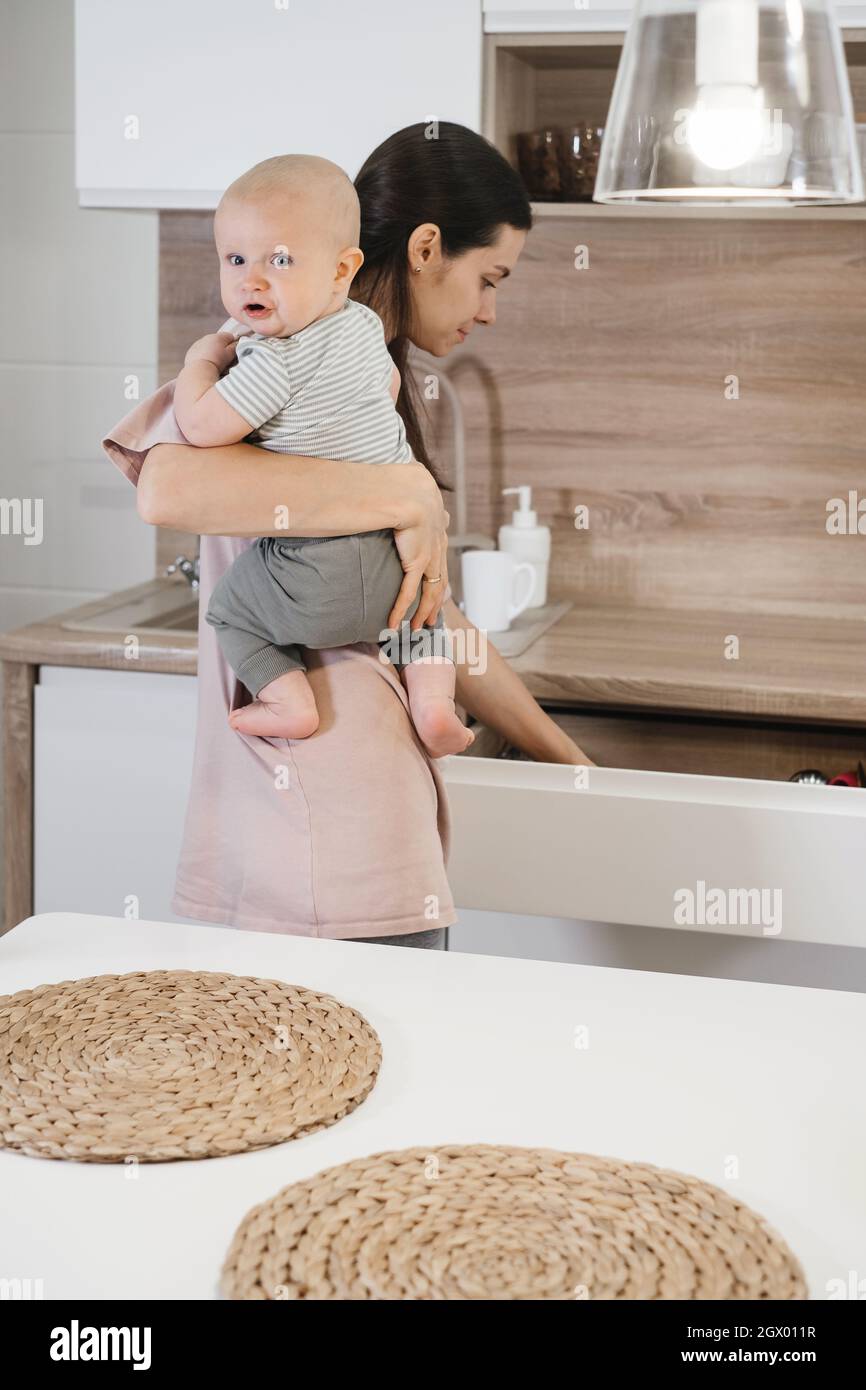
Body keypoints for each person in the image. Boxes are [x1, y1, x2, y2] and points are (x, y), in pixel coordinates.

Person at [103, 122, 593, 952]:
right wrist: (400, 488)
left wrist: (569, 761)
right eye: (489, 279)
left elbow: (430, 608)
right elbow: (166, 486)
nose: (490, 310)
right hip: (318, 832)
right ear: (428, 247)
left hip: (356, 824)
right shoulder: (254, 360)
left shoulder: (362, 379)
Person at [174, 152, 471, 758]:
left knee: (230, 611)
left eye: (279, 261)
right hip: (391, 561)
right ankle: (435, 701)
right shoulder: (363, 327)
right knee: (426, 619)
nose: (251, 280)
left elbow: (203, 427)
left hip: (310, 576)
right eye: (235, 260)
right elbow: (385, 391)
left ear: (342, 269)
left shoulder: (271, 359)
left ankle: (288, 700)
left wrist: (200, 364)